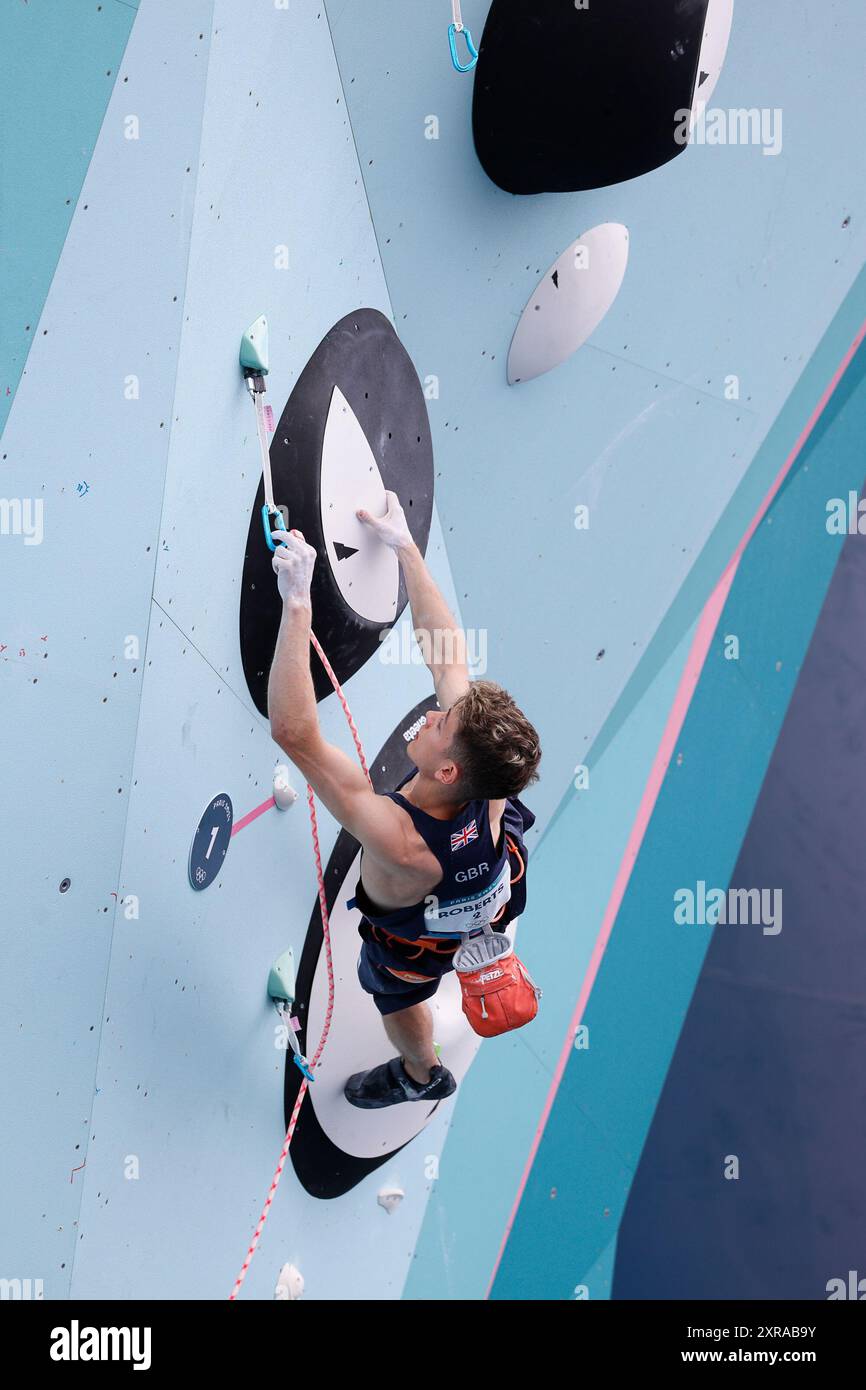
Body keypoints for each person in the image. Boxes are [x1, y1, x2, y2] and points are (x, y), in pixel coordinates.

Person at [268, 492, 541, 1109]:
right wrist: (406, 549)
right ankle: (482, 957)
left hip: (419, 938)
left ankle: (421, 1075)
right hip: (490, 891)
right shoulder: (494, 787)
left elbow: (296, 734)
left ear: (448, 770)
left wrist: (298, 605)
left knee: (397, 992)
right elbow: (448, 658)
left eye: (442, 723)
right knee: (454, 675)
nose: (432, 714)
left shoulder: (398, 838)